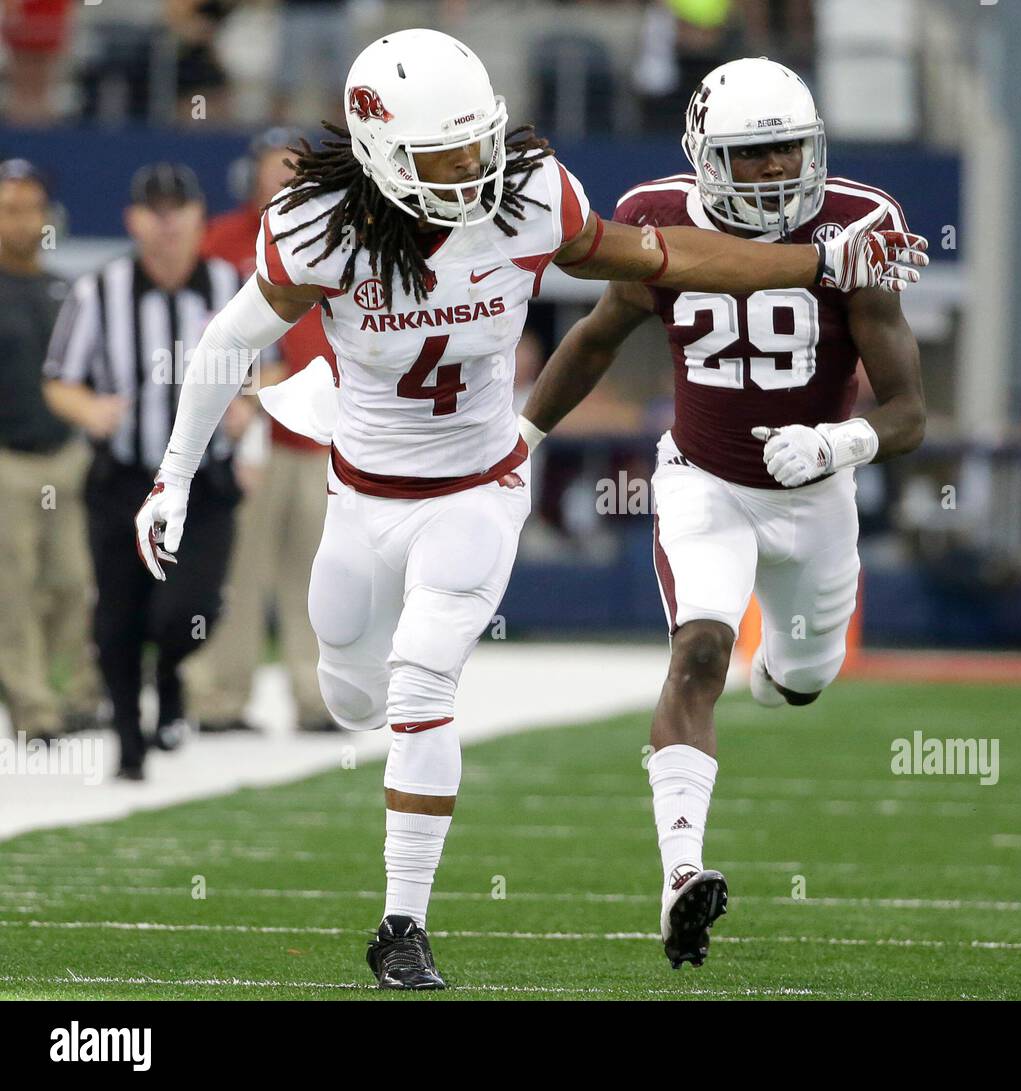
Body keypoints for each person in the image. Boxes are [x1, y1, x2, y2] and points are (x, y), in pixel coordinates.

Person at [131, 29, 928, 990]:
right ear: (383, 155)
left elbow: (661, 256)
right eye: (446, 159)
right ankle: (375, 739)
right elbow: (224, 343)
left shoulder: (526, 195)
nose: (474, 173)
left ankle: (402, 924)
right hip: (362, 485)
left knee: (425, 685)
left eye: (481, 146)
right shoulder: (321, 224)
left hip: (477, 482)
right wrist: (174, 473)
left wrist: (815, 265)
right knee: (352, 691)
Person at [521, 58, 927, 968]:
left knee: (801, 681)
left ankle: (778, 674)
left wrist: (837, 445)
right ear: (707, 160)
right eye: (756, 155)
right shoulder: (658, 219)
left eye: (793, 149)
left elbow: (909, 410)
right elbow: (595, 336)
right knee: (699, 649)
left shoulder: (858, 229)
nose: (782, 170)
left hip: (817, 494)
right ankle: (679, 876)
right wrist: (523, 437)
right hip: (705, 480)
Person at [43, 163, 247, 779]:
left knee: (187, 609)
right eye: (153, 212)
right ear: (133, 221)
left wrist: (247, 403)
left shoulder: (230, 286)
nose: (165, 225)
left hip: (204, 485)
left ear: (197, 219)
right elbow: (59, 380)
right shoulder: (96, 291)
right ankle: (129, 747)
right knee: (118, 616)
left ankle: (172, 674)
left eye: (176, 210)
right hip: (126, 479)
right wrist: (89, 409)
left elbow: (278, 363)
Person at [184, 128, 337, 734]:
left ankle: (315, 697)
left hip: (319, 436)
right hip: (248, 439)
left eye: (295, 170)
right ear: (253, 175)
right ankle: (220, 696)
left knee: (319, 576)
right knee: (238, 572)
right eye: (275, 168)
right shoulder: (223, 241)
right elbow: (196, 328)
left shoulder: (334, 237)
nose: (284, 180)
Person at [0, 158, 98, 741]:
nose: (23, 221)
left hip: (65, 455)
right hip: (7, 457)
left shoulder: (64, 289)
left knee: (71, 580)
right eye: (10, 210)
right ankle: (32, 707)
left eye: (31, 208)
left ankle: (73, 693)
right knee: (11, 587)